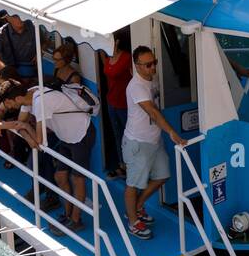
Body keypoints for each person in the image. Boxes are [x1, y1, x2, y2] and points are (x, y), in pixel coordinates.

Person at [123, 46, 185, 239]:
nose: (153, 68)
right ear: (137, 66)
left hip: (154, 140)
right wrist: (171, 132)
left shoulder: (150, 80)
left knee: (163, 175)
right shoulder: (136, 87)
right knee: (133, 184)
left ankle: (138, 206)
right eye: (148, 65)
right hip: (138, 143)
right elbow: (153, 111)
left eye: (154, 63)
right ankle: (133, 222)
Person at [32, 82, 98, 231]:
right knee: (60, 176)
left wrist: (23, 127)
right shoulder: (33, 95)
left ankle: (76, 220)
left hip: (81, 134)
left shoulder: (39, 101)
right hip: (66, 136)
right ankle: (68, 213)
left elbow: (39, 139)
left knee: (77, 179)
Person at [100, 31, 132, 178]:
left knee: (129, 136)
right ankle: (122, 165)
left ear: (117, 41)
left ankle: (132, 166)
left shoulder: (127, 58)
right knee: (118, 135)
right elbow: (107, 72)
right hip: (111, 102)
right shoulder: (107, 57)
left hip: (125, 104)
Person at [0, 14, 38, 83]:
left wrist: (39, 54)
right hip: (12, 79)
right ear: (7, 18)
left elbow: (44, 41)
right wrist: (8, 71)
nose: (21, 18)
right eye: (16, 16)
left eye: (21, 14)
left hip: (31, 74)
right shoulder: (2, 32)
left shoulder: (33, 26)